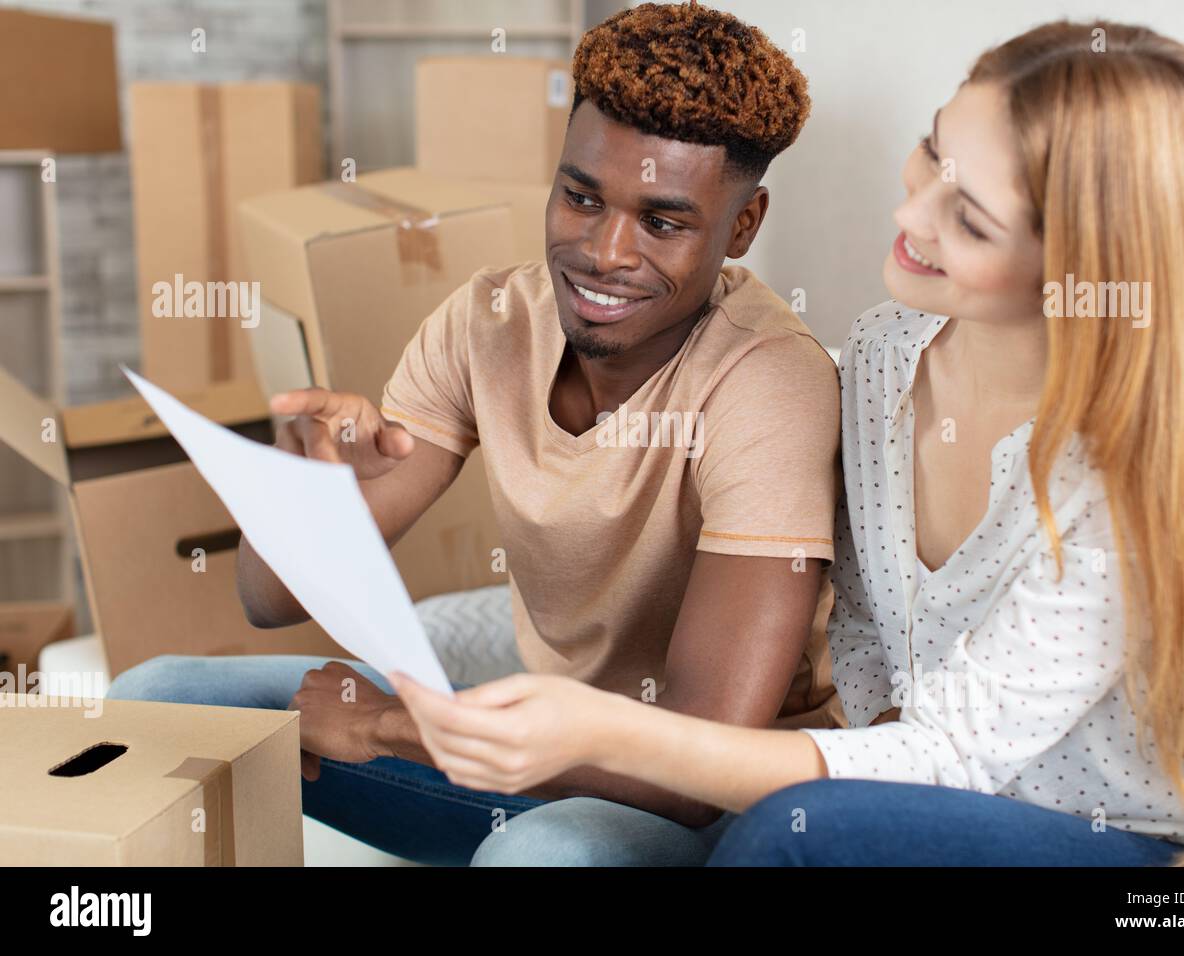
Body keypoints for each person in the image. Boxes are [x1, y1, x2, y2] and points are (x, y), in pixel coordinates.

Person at [389, 20, 1184, 867]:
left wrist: (604, 732)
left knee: (801, 828)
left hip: (1140, 853)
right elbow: (862, 624)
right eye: (934, 153)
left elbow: (948, 757)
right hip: (936, 804)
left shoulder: (1123, 473)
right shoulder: (884, 354)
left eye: (971, 220)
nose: (912, 216)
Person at [107, 1, 847, 867]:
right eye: (581, 197)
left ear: (742, 227)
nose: (606, 252)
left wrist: (389, 728)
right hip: (529, 745)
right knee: (157, 704)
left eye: (663, 221)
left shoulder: (768, 382)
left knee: (540, 855)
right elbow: (268, 602)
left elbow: (692, 768)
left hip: (707, 809)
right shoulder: (491, 321)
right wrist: (310, 484)